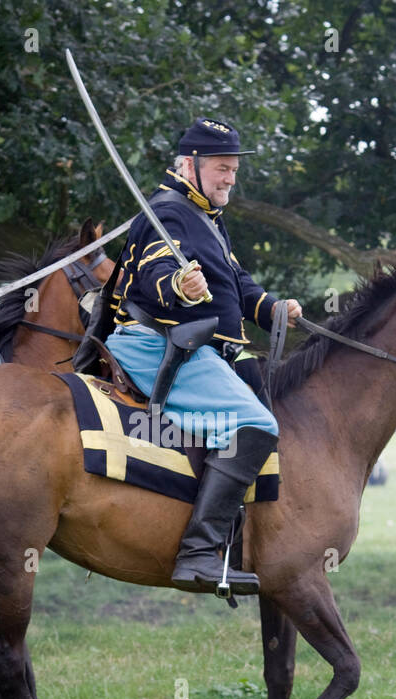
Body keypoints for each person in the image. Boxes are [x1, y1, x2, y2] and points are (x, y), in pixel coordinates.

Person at [105, 118, 302, 595]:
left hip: (204, 349)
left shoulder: (207, 217)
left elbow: (237, 284)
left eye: (233, 169)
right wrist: (178, 284)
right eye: (221, 168)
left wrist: (273, 308)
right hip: (155, 343)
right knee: (258, 426)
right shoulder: (168, 214)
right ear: (190, 166)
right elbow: (156, 268)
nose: (230, 177)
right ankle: (197, 553)